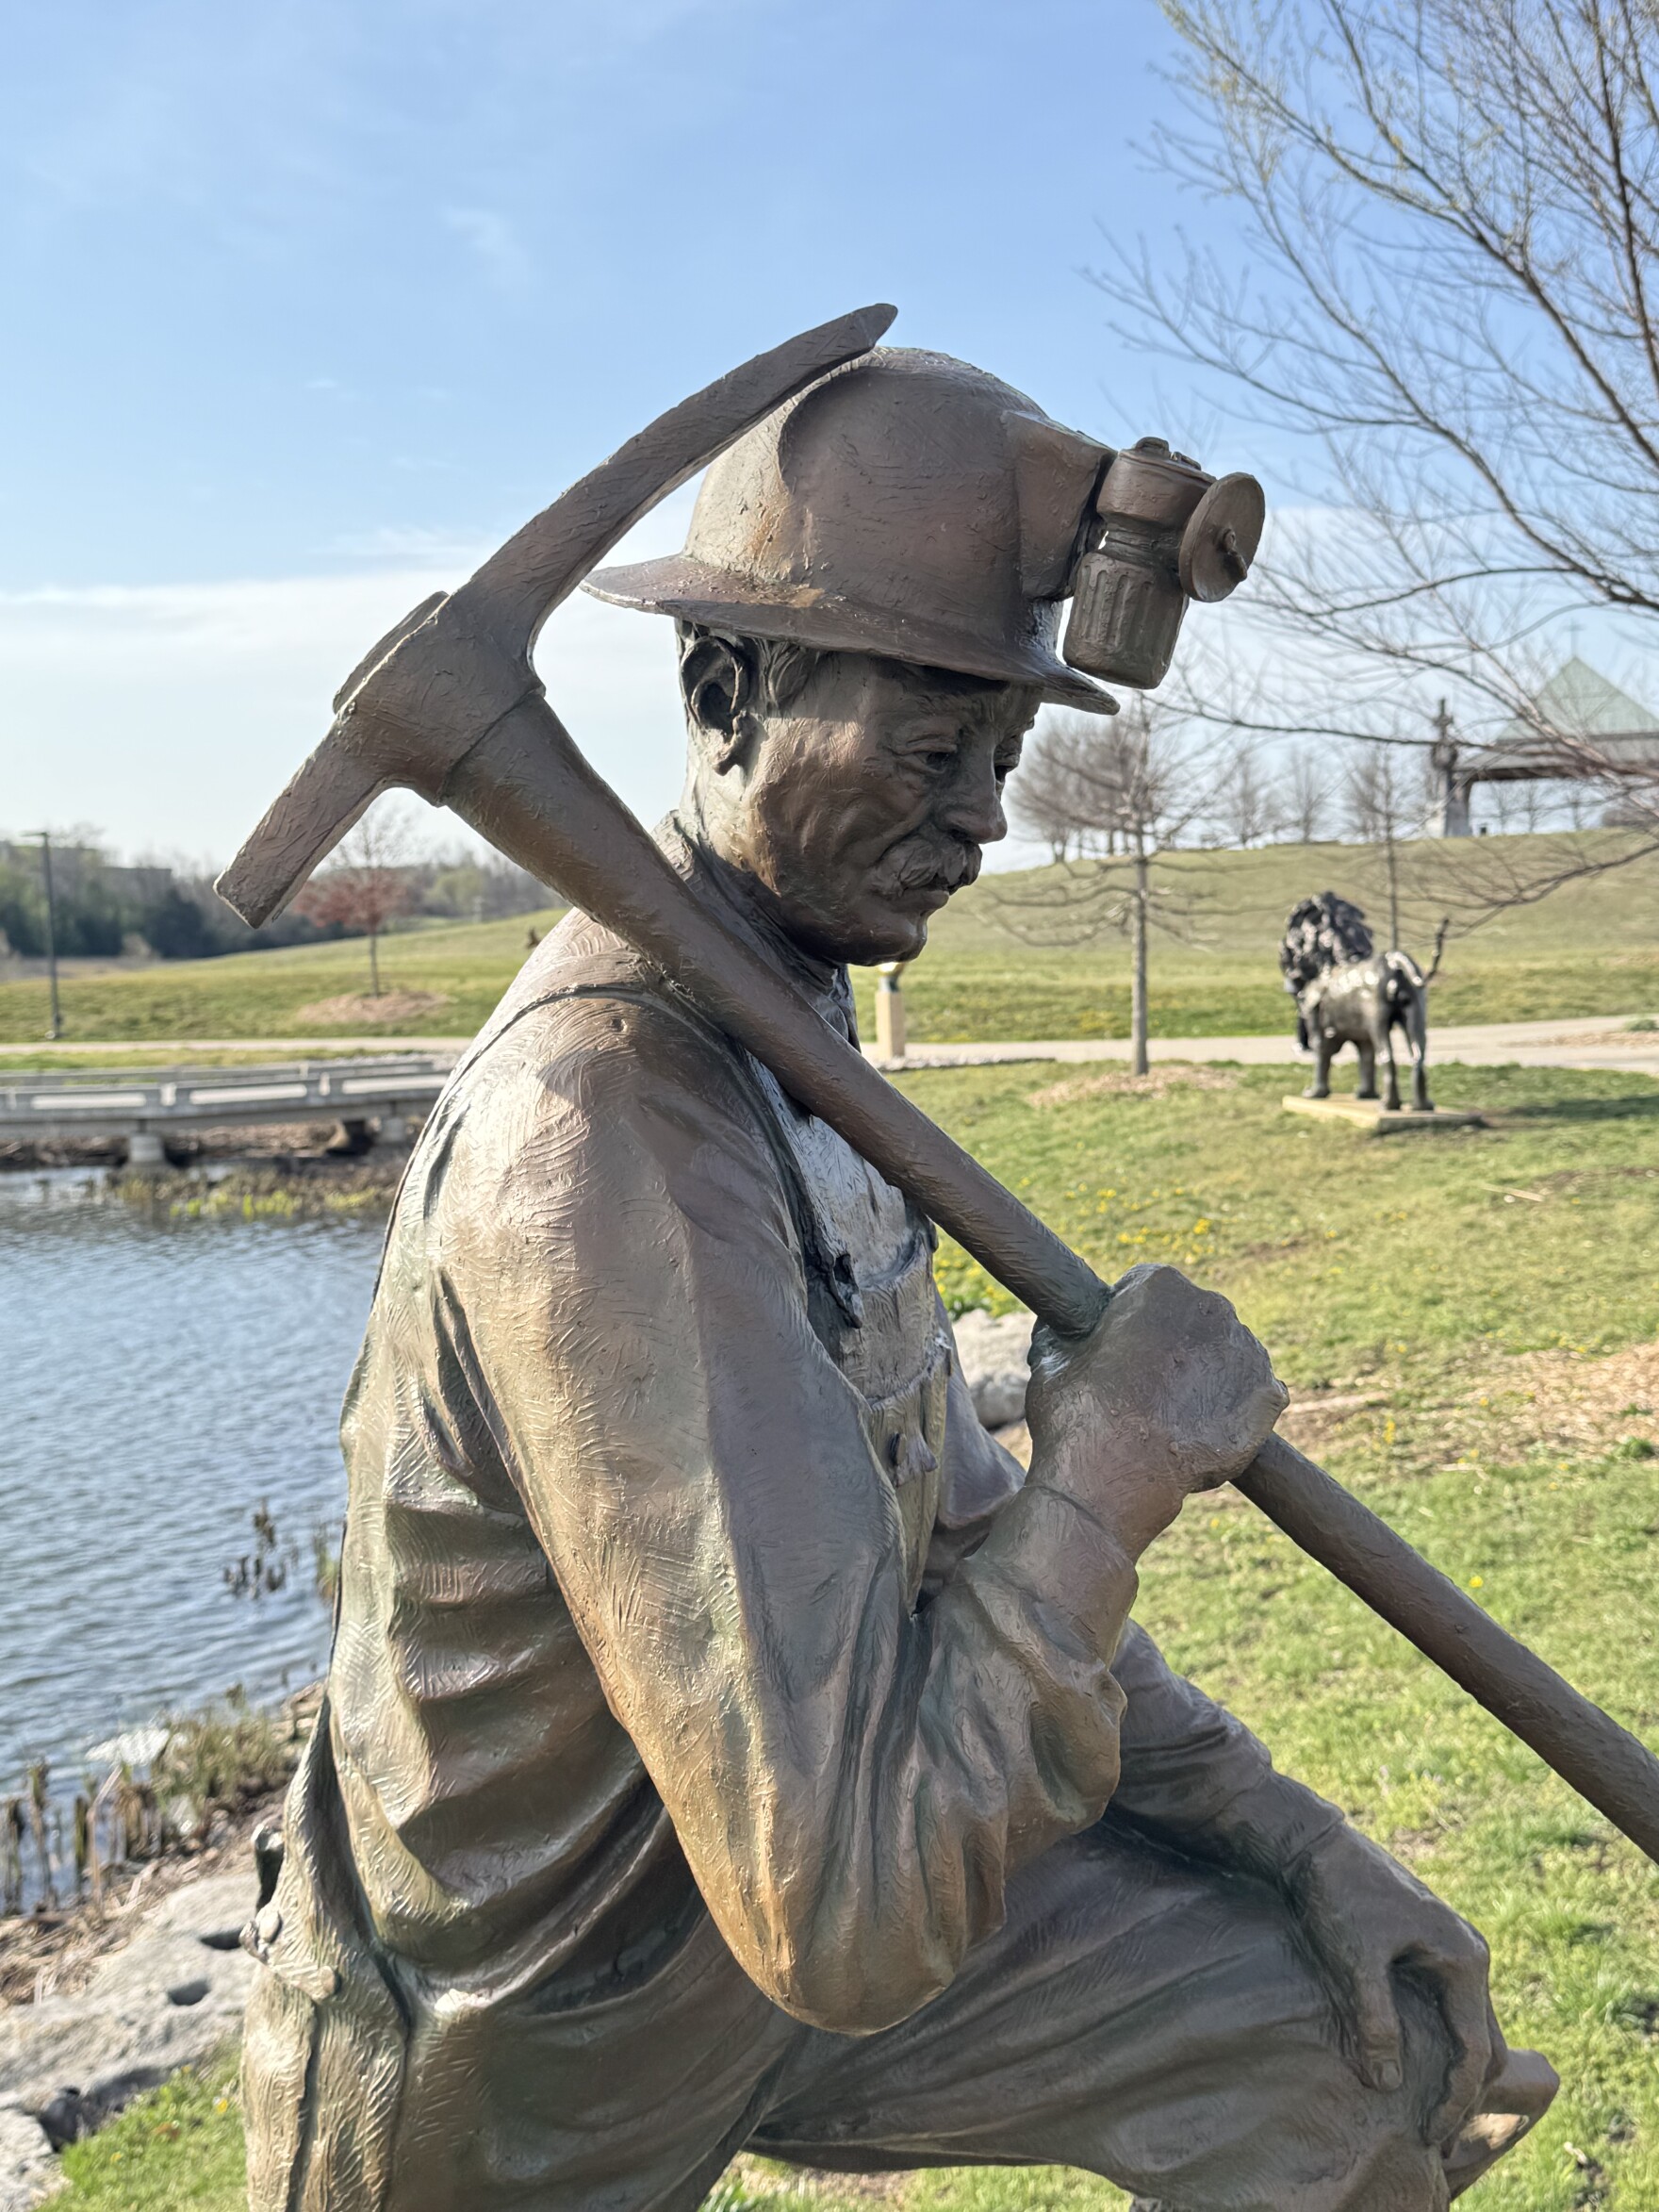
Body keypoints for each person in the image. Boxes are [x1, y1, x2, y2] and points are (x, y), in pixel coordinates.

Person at [241, 351, 1552, 2212]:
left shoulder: (789, 1037)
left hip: (760, 1930)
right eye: (934, 751)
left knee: (1343, 2045)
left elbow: (950, 1516)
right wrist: (1114, 1473)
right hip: (521, 2055)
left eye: (1000, 753)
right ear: (723, 697)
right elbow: (847, 1906)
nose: (987, 815)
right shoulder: (602, 1139)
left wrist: (1283, 1834)